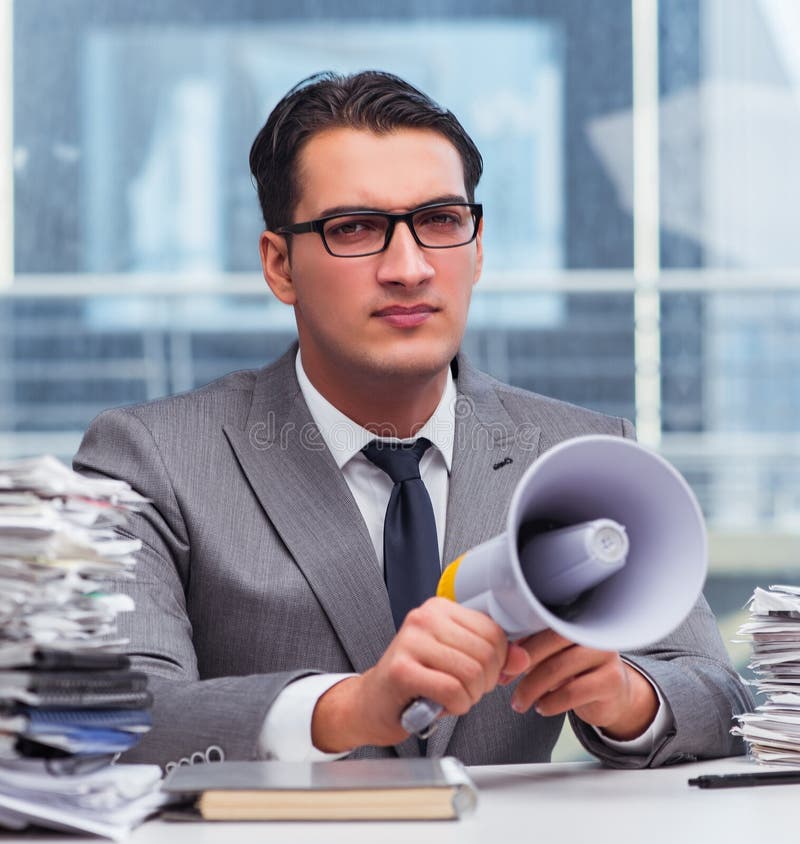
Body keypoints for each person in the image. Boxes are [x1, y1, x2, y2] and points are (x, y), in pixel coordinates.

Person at [74, 70, 753, 769]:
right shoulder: (150, 457)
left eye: (440, 221)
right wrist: (344, 710)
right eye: (356, 228)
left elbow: (722, 699)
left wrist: (625, 696)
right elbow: (113, 713)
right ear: (279, 265)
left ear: (478, 246)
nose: (410, 267)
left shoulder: (585, 454)